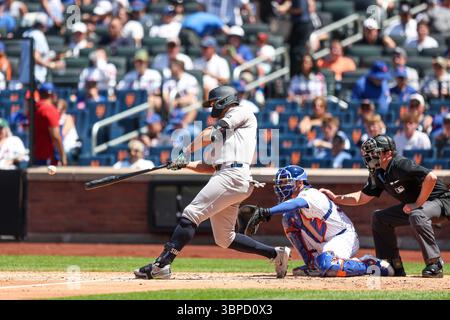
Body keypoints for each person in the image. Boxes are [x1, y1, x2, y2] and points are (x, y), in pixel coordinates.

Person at [133, 86, 291, 280]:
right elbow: (210, 166)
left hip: (232, 175)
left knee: (192, 213)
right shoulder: (225, 136)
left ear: (224, 101)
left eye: (213, 103)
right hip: (230, 176)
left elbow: (209, 133)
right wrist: (183, 164)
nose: (211, 108)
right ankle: (276, 253)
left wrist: (186, 152)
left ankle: (161, 265)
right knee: (225, 239)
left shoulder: (240, 112)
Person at [320, 134, 449, 278]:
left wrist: (417, 204)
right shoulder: (378, 173)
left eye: (375, 152)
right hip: (418, 207)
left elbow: (431, 178)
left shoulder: (399, 163)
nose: (370, 156)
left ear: (388, 153)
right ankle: (392, 265)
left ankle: (435, 263)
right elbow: (362, 197)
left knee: (417, 214)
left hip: (442, 201)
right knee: (379, 218)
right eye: (369, 153)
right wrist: (336, 198)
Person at [241, 165, 394, 277]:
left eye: (286, 182)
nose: (282, 186)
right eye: (280, 183)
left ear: (300, 183)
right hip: (324, 239)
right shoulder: (297, 202)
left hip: (343, 237)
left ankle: (369, 263)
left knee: (329, 266)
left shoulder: (311, 194)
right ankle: (313, 264)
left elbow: (296, 203)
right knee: (289, 218)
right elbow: (291, 208)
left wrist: (267, 212)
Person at [33, 83, 66, 166]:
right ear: (51, 94)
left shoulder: (35, 108)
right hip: (48, 157)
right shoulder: (49, 109)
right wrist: (63, 156)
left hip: (36, 154)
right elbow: (56, 135)